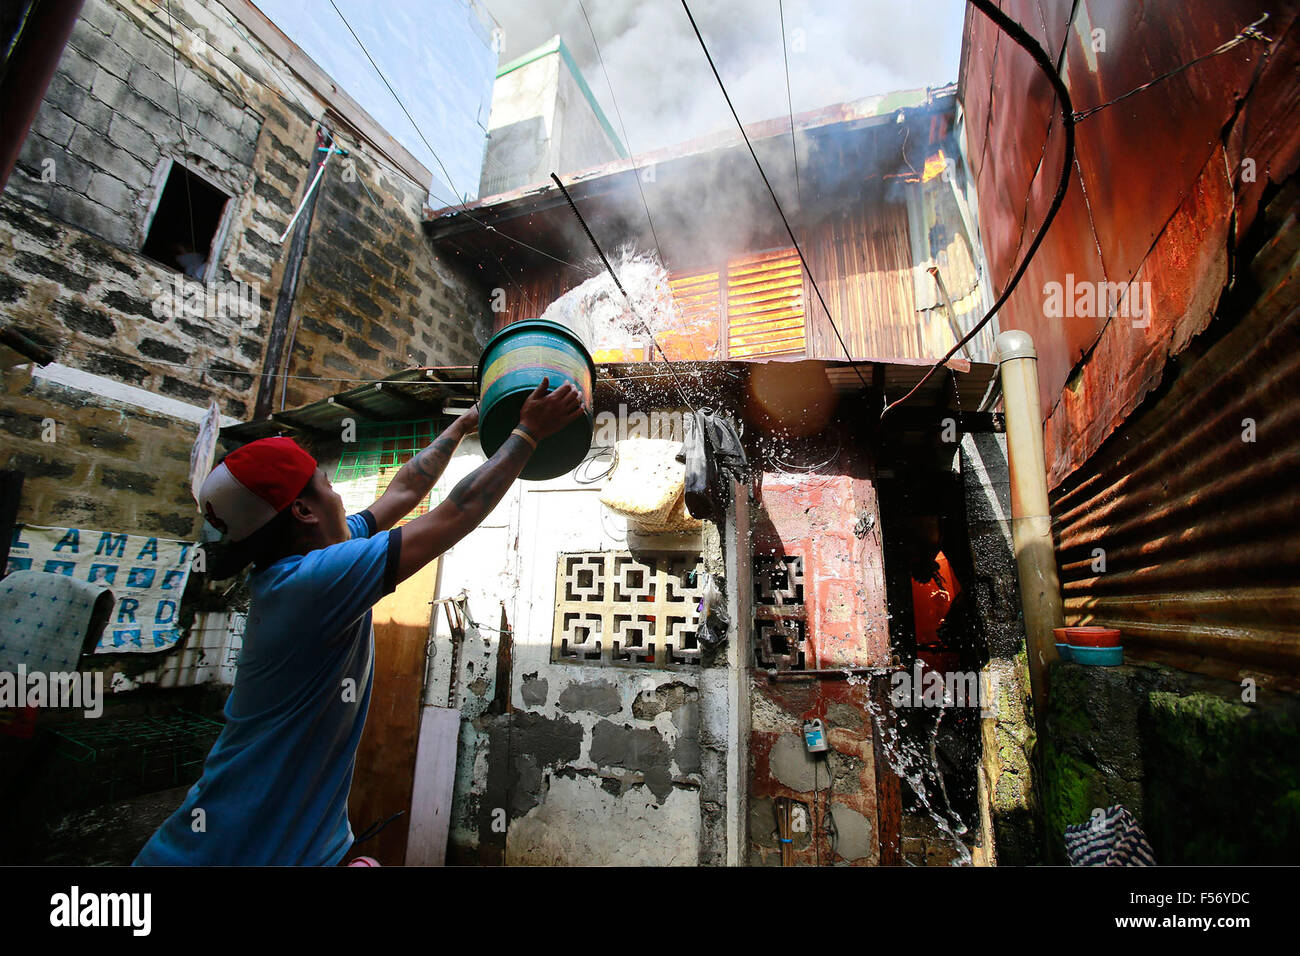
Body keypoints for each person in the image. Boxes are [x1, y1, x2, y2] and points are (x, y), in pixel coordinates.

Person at [134, 378, 583, 865]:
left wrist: (464, 424)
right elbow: (459, 511)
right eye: (326, 485)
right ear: (304, 510)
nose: (336, 494)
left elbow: (405, 490)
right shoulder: (311, 582)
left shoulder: (317, 555)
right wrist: (527, 435)